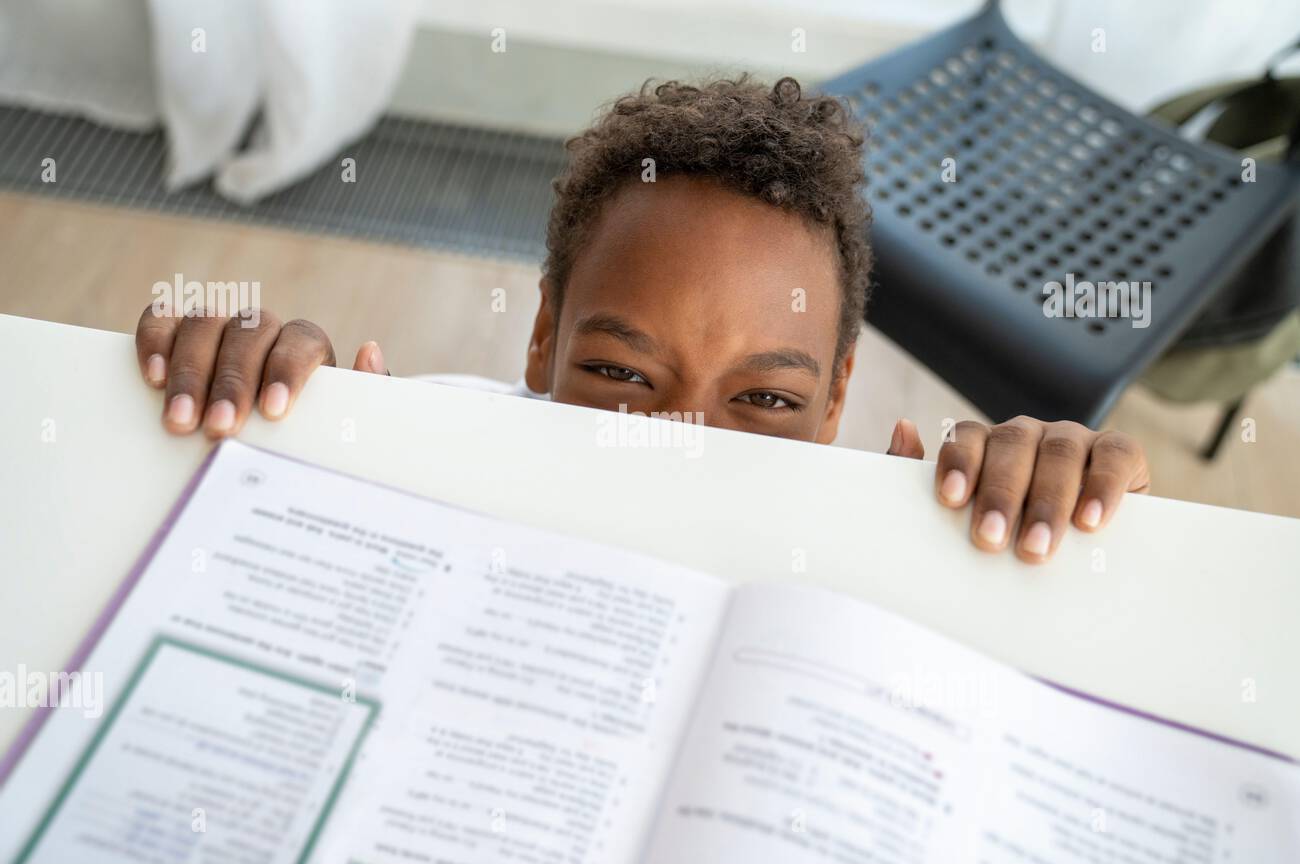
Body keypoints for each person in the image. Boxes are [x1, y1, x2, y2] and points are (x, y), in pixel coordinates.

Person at [132, 76, 1150, 564]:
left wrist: (1061, 512)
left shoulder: (880, 546)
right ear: (543, 338)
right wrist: (260, 403)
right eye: (621, 376)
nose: (683, 447)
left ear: (837, 399)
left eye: (763, 397)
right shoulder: (434, 447)